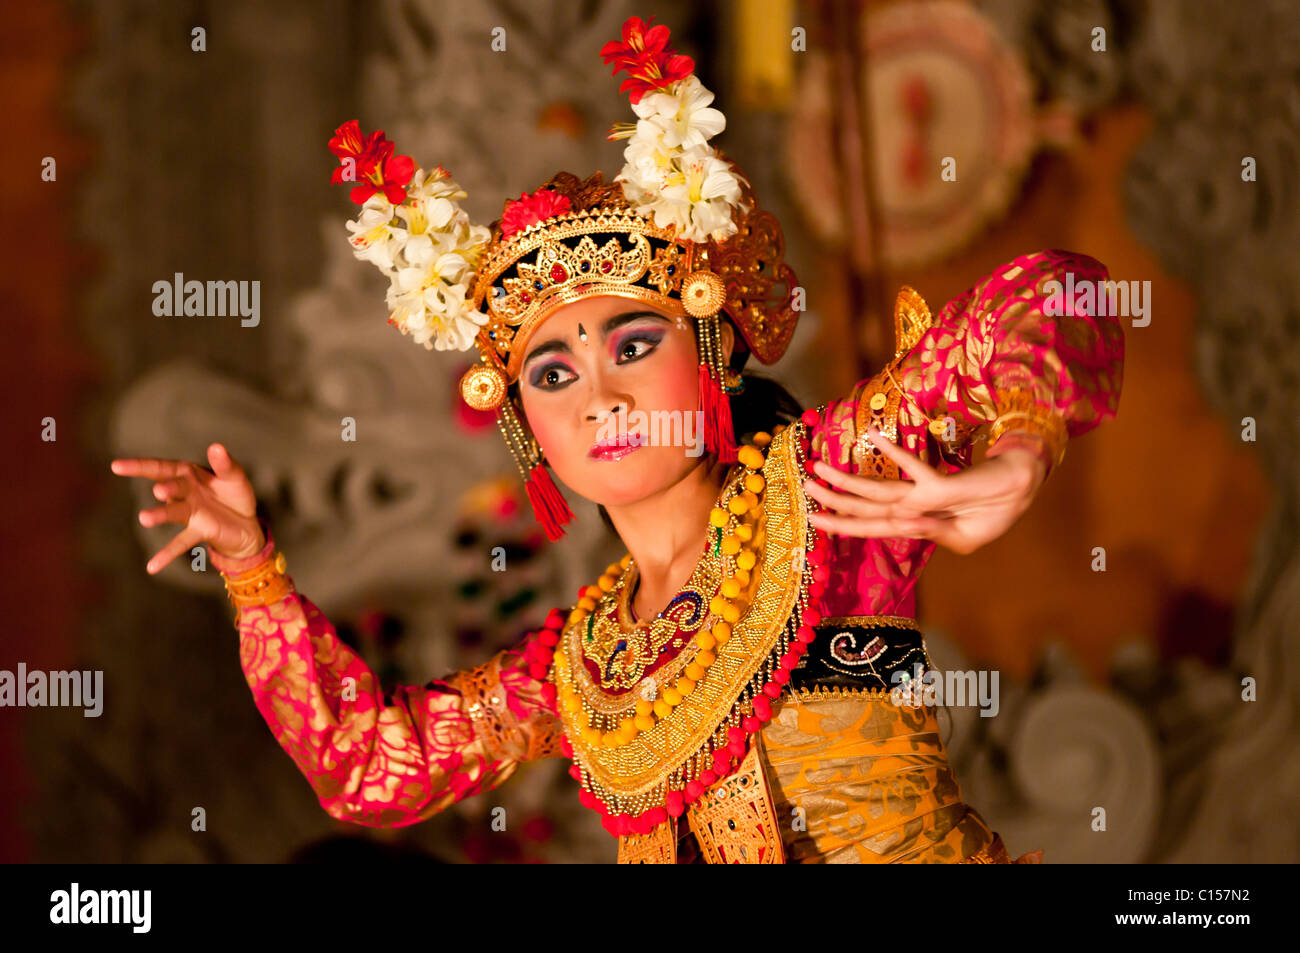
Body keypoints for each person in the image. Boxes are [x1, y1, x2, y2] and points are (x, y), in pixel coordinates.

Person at [110, 15, 1124, 863]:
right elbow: (369, 769)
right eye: (552, 373)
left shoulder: (829, 491)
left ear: (712, 353)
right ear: (524, 424)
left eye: (633, 343)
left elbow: (1058, 294)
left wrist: (1020, 447)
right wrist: (252, 569)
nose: (598, 393)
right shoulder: (579, 665)